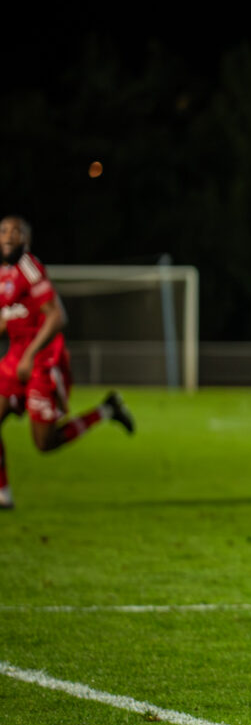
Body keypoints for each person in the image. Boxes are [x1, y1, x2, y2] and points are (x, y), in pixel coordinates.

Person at [0, 215, 135, 510]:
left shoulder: (29, 268)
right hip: (15, 360)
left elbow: (57, 316)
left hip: (42, 361)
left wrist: (30, 355)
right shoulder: (3, 275)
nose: (9, 235)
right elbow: (7, 320)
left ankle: (106, 410)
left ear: (26, 240)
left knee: (45, 444)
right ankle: (3, 494)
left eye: (16, 231)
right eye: (4, 230)